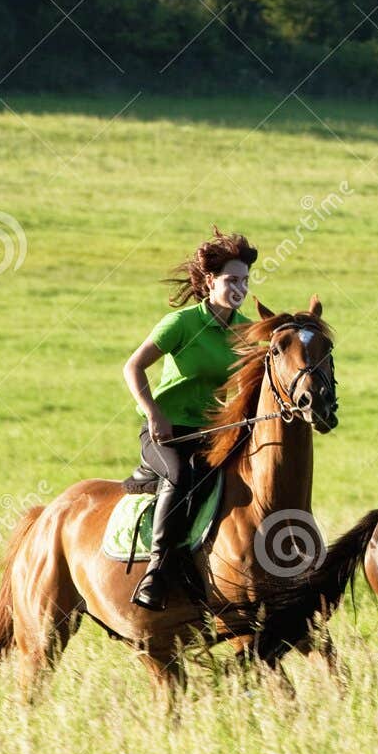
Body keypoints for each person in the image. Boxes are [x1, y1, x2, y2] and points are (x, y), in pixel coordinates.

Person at [122, 229, 257, 609]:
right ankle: (157, 570)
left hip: (213, 434)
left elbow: (244, 389)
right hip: (166, 434)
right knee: (182, 476)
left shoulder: (244, 331)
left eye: (245, 281)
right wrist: (153, 412)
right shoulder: (181, 323)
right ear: (211, 281)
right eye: (232, 280)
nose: (239, 288)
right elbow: (133, 367)